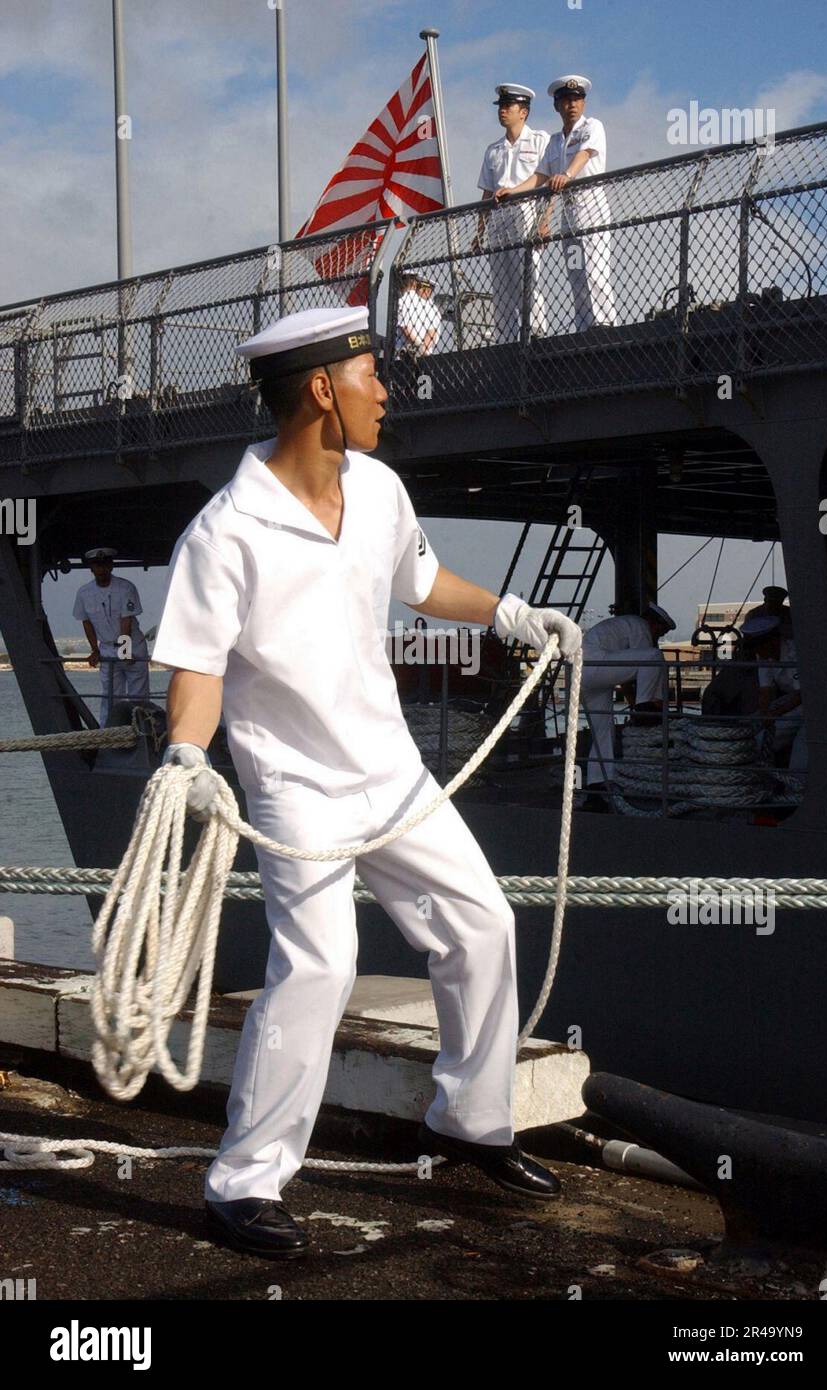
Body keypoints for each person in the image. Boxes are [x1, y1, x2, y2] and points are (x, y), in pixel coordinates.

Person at [151, 305, 582, 1258]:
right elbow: (199, 666)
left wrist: (512, 613)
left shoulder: (379, 488)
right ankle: (243, 1182)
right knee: (319, 967)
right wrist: (187, 756)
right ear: (320, 390)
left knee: (483, 925)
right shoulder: (226, 530)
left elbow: (421, 582)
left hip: (389, 770)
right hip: (294, 784)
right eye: (370, 374)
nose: (386, 390)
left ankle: (469, 1122)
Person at [495, 73, 616, 333]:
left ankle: (604, 324)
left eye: (576, 99)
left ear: (583, 103)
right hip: (569, 211)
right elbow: (542, 176)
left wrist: (568, 175)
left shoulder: (592, 126)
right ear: (557, 105)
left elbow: (584, 154)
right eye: (566, 100)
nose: (572, 104)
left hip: (591, 206)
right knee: (576, 272)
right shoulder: (555, 141)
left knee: (594, 269)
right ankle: (585, 326)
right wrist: (513, 191)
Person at [474, 84, 549, 343]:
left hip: (524, 212)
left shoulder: (540, 140)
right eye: (501, 106)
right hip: (497, 217)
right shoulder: (493, 150)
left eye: (509, 106)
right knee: (501, 282)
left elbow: (545, 179)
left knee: (526, 276)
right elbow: (486, 193)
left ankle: (536, 332)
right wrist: (479, 232)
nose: (503, 111)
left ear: (523, 112)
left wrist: (543, 222)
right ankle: (505, 338)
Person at [580, 603, 676, 791]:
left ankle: (597, 782)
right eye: (661, 632)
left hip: (583, 672)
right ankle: (646, 707)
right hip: (598, 664)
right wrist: (647, 705)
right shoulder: (640, 627)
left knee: (602, 730)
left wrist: (632, 701)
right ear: (655, 624)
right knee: (655, 656)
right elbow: (643, 664)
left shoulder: (623, 625)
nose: (658, 636)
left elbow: (626, 673)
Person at [73, 547, 150, 725]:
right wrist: (94, 650)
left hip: (133, 646)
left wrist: (125, 650)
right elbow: (86, 622)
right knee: (110, 697)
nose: (101, 569)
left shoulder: (125, 588)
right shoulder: (84, 593)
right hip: (107, 648)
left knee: (138, 696)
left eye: (105, 564)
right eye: (97, 565)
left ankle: (142, 730)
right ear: (91, 568)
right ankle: (109, 733)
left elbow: (126, 620)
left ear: (111, 566)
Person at [743, 615, 805, 768]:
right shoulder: (764, 656)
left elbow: (802, 694)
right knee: (747, 728)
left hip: (811, 703)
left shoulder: (795, 653)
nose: (757, 651)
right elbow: (765, 690)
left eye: (758, 646)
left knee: (798, 755)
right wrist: (764, 713)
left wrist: (773, 715)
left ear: (772, 641)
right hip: (791, 700)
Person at [395, 272, 442, 357]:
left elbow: (404, 328)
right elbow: (432, 332)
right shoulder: (430, 307)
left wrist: (418, 346)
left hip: (404, 355)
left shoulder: (402, 301)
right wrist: (423, 349)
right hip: (426, 356)